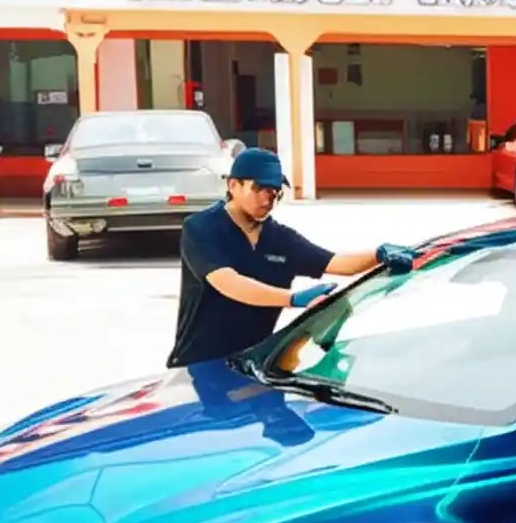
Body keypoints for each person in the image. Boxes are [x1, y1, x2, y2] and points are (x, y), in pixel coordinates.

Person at [167, 147, 403, 369]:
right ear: (233, 185)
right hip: (199, 363)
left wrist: (380, 254)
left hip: (254, 363)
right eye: (259, 189)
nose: (267, 199)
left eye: (274, 192)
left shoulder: (280, 239)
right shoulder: (200, 228)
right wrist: (293, 299)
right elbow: (228, 283)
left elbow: (339, 263)